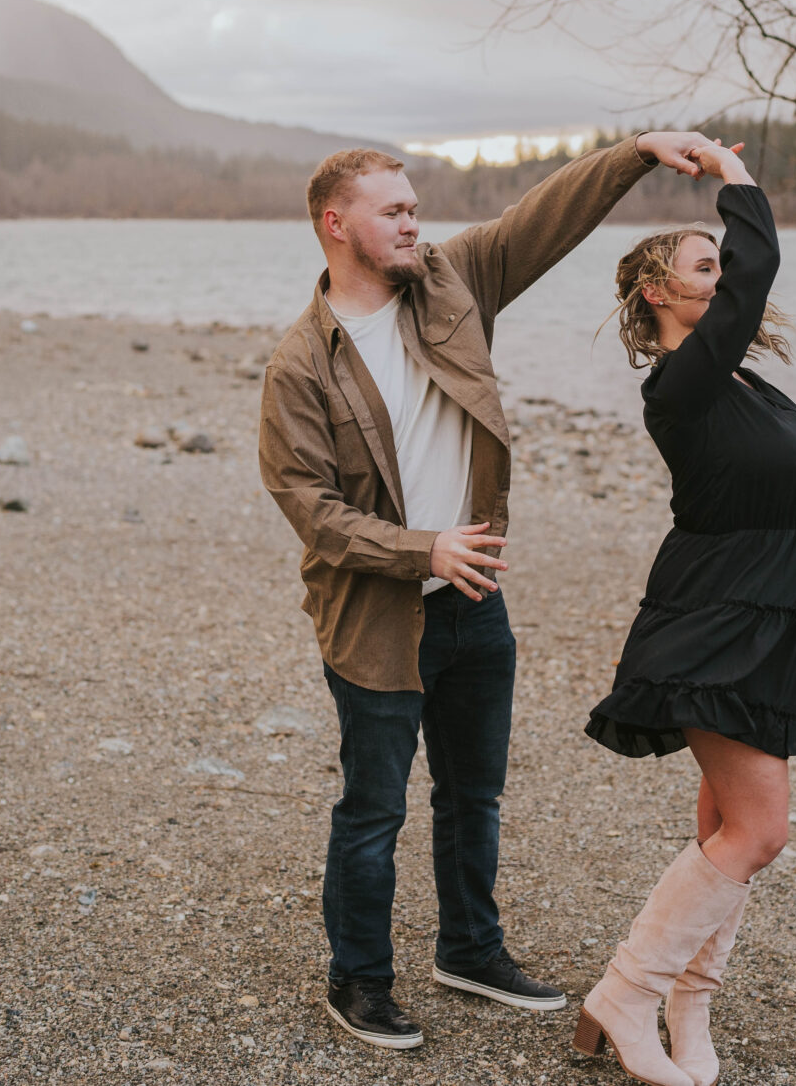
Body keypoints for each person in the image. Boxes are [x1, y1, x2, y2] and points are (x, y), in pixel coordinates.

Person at [258, 133, 721, 1051]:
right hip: (377, 616)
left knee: (474, 793)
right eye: (393, 211)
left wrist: (635, 154)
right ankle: (357, 978)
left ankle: (470, 948)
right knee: (373, 807)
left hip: (474, 599)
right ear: (336, 223)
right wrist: (424, 546)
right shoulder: (299, 365)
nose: (413, 222)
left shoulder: (452, 282)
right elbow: (311, 510)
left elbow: (544, 219)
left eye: (414, 206)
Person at [573, 141, 796, 1086]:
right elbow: (758, 266)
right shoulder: (683, 385)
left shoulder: (745, 388)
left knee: (724, 829)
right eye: (705, 264)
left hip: (778, 617)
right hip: (713, 616)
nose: (726, 274)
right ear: (659, 293)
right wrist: (735, 179)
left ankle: (688, 1006)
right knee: (760, 830)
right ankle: (625, 993)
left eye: (720, 260)